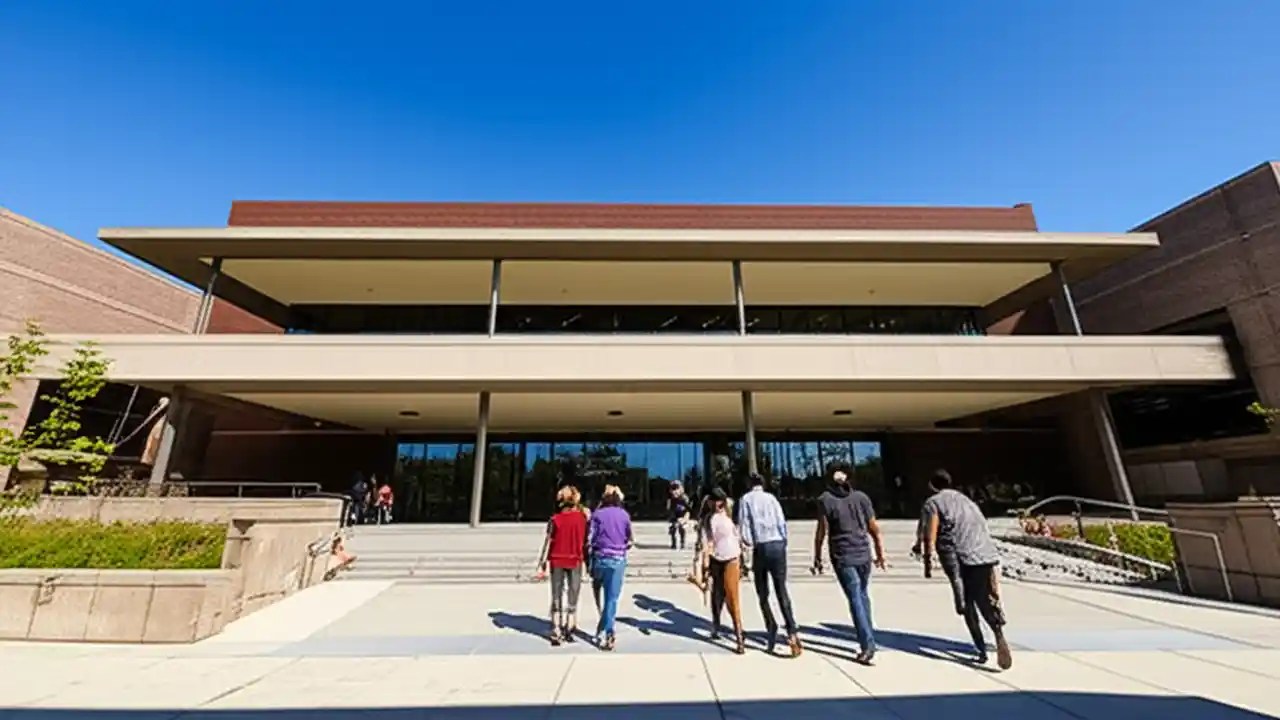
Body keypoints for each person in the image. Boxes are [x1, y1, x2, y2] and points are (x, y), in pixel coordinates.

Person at [917, 469, 1013, 670]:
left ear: (931, 485)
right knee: (987, 599)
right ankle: (997, 631)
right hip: (984, 554)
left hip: (958, 555)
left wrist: (927, 560)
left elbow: (930, 532)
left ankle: (980, 647)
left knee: (967, 603)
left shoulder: (933, 502)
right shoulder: (967, 501)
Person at [812, 468, 886, 665]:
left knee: (855, 598)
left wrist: (817, 557)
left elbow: (822, 531)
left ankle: (867, 644)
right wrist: (880, 554)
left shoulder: (825, 499)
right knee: (862, 595)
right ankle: (868, 637)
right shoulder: (862, 498)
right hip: (863, 554)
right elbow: (874, 529)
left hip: (843, 556)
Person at [738, 472, 802, 657]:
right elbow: (781, 521)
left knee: (762, 591)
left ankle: (771, 625)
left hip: (762, 545)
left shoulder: (746, 499)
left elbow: (744, 525)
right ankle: (792, 629)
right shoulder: (771, 498)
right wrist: (783, 540)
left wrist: (748, 543)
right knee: (781, 589)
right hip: (778, 543)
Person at [537, 485, 589, 646]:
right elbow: (585, 543)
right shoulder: (582, 519)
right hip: (575, 559)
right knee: (573, 592)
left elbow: (548, 541)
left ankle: (556, 627)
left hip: (557, 559)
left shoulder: (554, 520)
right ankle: (570, 623)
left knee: (556, 593)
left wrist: (542, 562)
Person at [699, 488, 745, 654]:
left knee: (732, 597)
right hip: (716, 559)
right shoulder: (708, 519)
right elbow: (707, 543)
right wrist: (705, 566)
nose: (719, 504)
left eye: (721, 501)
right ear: (710, 502)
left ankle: (739, 635)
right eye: (715, 501)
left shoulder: (730, 512)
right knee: (717, 596)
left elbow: (737, 534)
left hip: (732, 557)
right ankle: (716, 624)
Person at [588, 484, 632, 650]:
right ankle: (608, 631)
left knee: (599, 595)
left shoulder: (597, 515)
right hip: (617, 559)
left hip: (600, 558)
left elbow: (590, 537)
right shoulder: (624, 515)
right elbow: (630, 539)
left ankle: (603, 628)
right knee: (612, 598)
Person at [667, 481, 691, 550]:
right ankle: (673, 542)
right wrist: (673, 520)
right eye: (673, 489)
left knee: (682, 527)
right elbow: (670, 512)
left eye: (677, 489)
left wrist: (684, 519)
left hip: (684, 517)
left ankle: (682, 542)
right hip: (674, 517)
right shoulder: (670, 500)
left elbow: (688, 511)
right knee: (673, 526)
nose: (675, 491)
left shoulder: (684, 499)